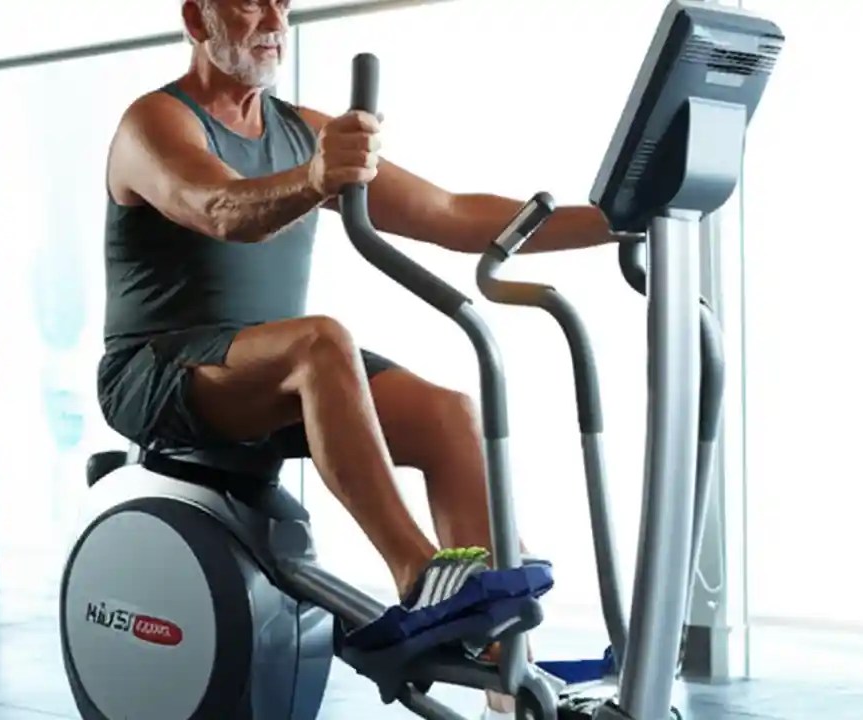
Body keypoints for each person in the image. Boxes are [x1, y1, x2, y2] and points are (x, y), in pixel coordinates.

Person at [98, 1, 622, 716]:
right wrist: (315, 181)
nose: (273, 18)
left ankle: (505, 664)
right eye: (249, 3)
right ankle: (419, 579)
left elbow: (450, 212)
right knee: (322, 341)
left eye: (282, 2)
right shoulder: (154, 124)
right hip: (158, 372)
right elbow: (220, 207)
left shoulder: (298, 129)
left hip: (272, 369)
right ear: (198, 18)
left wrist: (617, 217)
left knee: (447, 413)